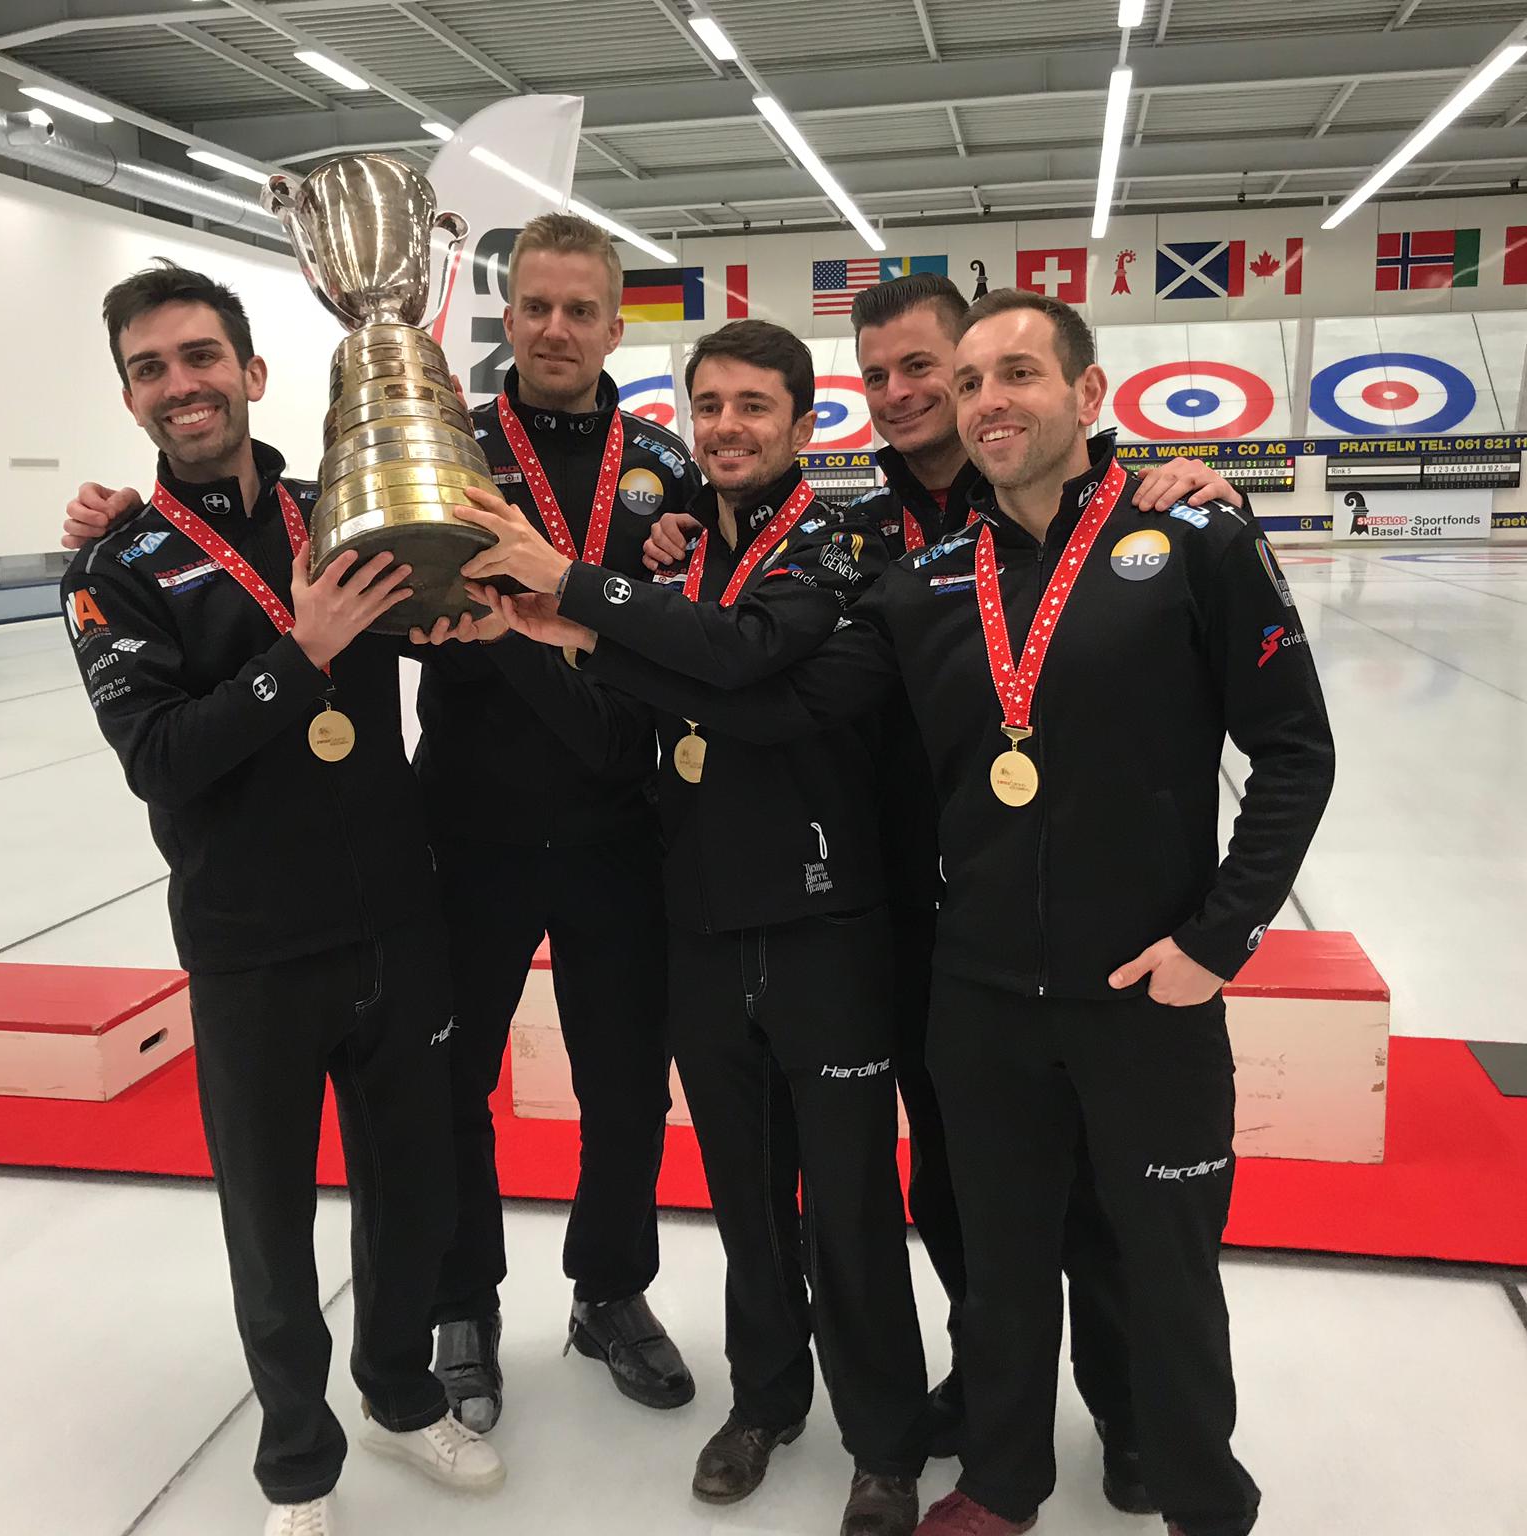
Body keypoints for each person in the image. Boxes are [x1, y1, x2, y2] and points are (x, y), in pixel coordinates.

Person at [482, 288, 1336, 1536]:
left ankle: (1179, 1472)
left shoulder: (1181, 538)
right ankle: (1000, 1475)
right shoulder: (917, 566)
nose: (976, 400)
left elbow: (1292, 752)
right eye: (958, 380)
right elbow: (776, 703)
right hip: (969, 965)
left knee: (1148, 1254)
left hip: (1130, 969)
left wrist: (1218, 939)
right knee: (984, 1247)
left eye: (1007, 375)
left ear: (1086, 396)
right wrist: (578, 632)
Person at [60, 213, 699, 1434]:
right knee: (449, 1092)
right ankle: (462, 1302)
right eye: (535, 308)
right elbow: (293, 550)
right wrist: (111, 519)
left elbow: (707, 594)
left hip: (624, 821)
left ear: (619, 324)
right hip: (463, 824)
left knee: (624, 1082)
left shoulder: (662, 465)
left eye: (581, 310)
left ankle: (611, 1289)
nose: (556, 329)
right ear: (504, 322)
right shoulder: (442, 446)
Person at [647, 272, 1249, 1513]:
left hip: (1078, 916)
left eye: (935, 367)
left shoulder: (1113, 507)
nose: (914, 394)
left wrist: (1190, 487)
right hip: (908, 919)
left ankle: (1129, 1417)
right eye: (885, 376)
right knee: (969, 1198)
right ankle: (987, 1410)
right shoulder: (860, 535)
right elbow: (782, 674)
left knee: (1102, 1205)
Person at [459, 318, 930, 1536]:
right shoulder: (677, 569)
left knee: (850, 1201)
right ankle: (765, 1399)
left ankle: (883, 1437)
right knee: (742, 1196)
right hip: (703, 930)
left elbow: (751, 671)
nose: (724, 427)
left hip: (826, 924)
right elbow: (626, 740)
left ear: (800, 421)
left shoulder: (835, 548)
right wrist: (524, 647)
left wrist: (574, 599)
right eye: (707, 405)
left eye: (752, 407)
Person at [60, 261, 503, 1536]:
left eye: (201, 357)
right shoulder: (115, 564)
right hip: (251, 944)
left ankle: (401, 1394)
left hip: (395, 919)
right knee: (271, 1220)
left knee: (411, 1188)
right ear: (131, 396)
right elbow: (159, 756)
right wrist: (296, 654)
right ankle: (297, 1466)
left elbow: (444, 597)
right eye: (152, 368)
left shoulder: (341, 509)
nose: (180, 384)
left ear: (253, 375)